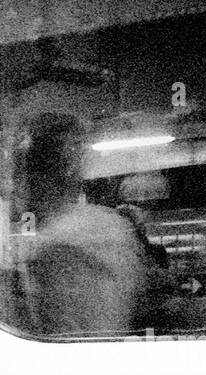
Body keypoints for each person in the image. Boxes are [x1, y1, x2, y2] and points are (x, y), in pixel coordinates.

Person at [16, 113, 171, 336]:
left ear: (37, 179)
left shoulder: (62, 243)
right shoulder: (111, 225)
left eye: (22, 178)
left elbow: (66, 332)